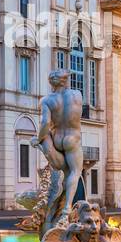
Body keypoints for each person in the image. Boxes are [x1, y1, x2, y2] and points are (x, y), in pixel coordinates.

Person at [31, 69, 84, 232]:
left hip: (56, 139)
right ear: (65, 80)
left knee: (64, 171)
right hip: (72, 139)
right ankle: (66, 210)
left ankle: (56, 209)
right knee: (75, 172)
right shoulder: (76, 95)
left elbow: (45, 123)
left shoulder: (46, 100)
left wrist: (38, 139)